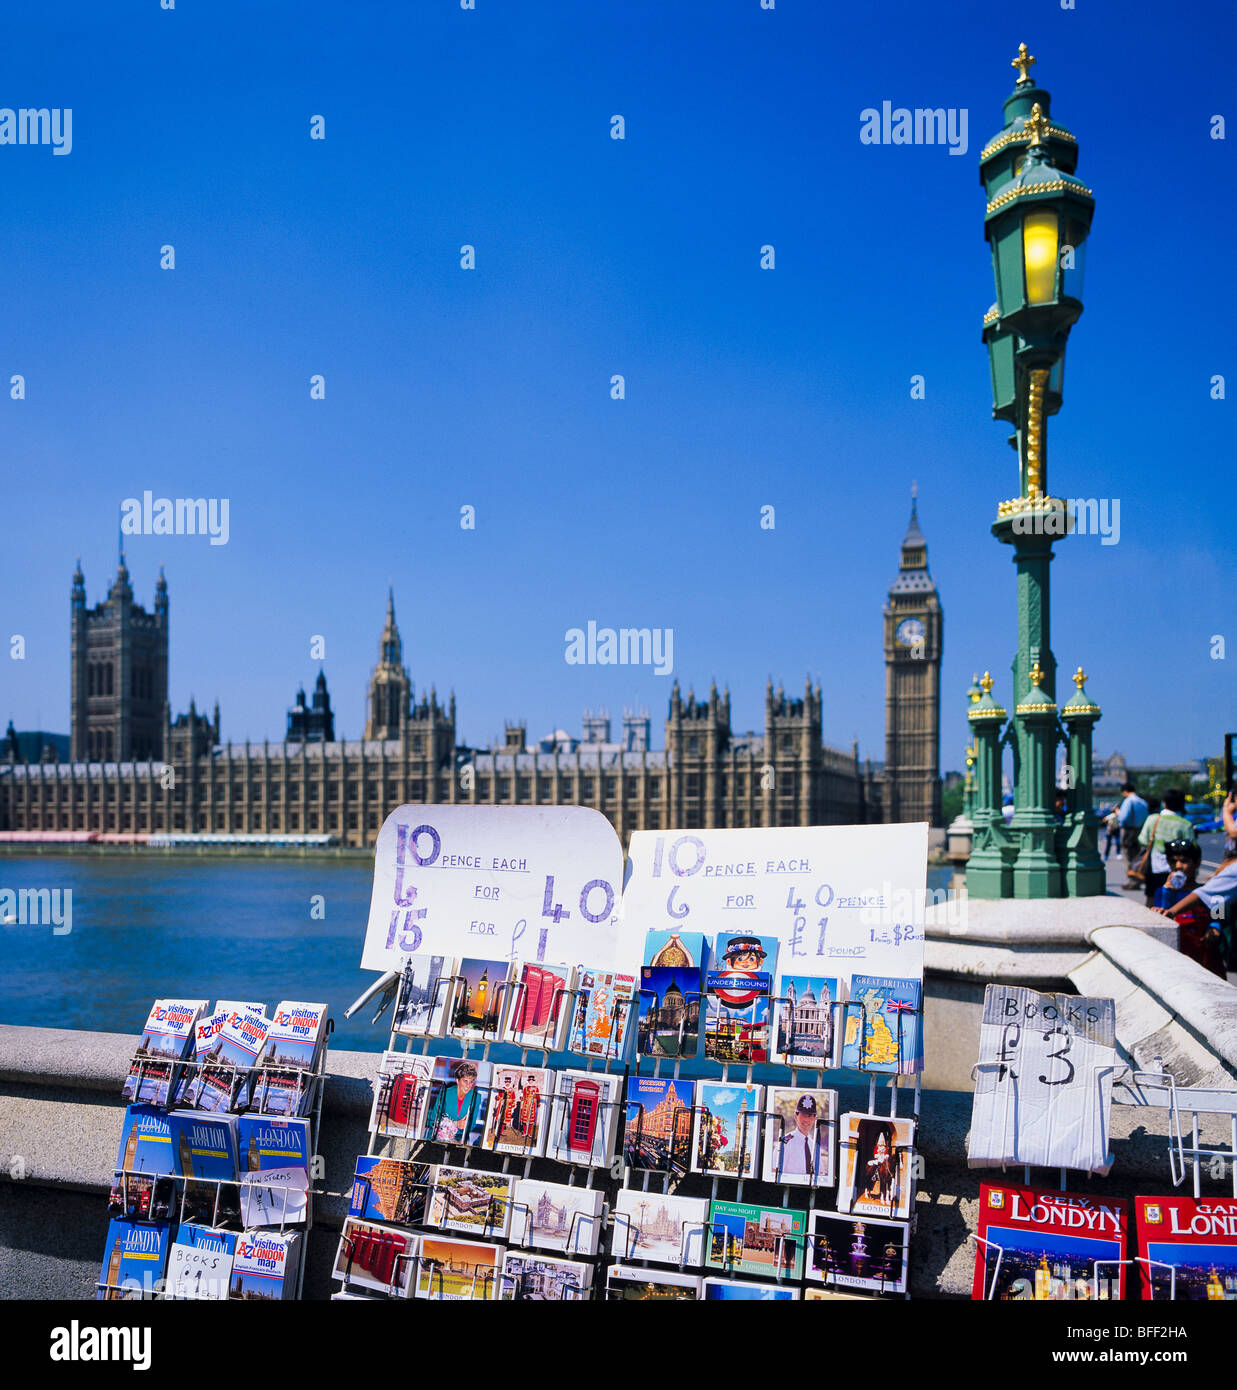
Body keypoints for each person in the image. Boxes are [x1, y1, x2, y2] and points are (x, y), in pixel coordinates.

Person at [1154, 840, 1226, 978]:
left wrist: (1215, 927)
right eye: (1173, 861)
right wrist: (1167, 892)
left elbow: (1220, 915)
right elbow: (1161, 917)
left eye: (1184, 861)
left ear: (1197, 862)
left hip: (1205, 959)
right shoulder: (1162, 891)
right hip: (1178, 956)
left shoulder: (1210, 891)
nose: (1178, 866)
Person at [1136, 789, 1195, 908]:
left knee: (1151, 900)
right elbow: (1191, 850)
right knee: (1175, 902)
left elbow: (1142, 840)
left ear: (1165, 803)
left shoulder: (1152, 819)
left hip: (1155, 868)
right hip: (1177, 870)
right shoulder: (1185, 824)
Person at [427, 1059, 482, 1144]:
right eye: (465, 1081)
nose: (468, 1086)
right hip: (438, 1137)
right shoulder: (445, 1093)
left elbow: (471, 1125)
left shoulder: (476, 1097)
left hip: (461, 1139)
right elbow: (432, 1120)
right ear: (457, 1080)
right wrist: (455, 1124)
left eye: (471, 1082)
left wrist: (459, 1139)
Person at [776, 1094, 824, 1178]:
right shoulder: (786, 1142)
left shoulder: (814, 1145)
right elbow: (774, 1171)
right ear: (796, 1116)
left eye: (809, 1116)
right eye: (803, 1115)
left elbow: (821, 1173)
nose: (806, 1119)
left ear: (814, 1119)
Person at [1117, 782, 1149, 888]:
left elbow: (1123, 818)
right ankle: (1138, 878)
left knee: (1127, 855)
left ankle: (1131, 881)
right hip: (1140, 830)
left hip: (1128, 831)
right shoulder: (1143, 802)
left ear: (1125, 791)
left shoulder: (1128, 801)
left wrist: (1118, 813)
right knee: (1137, 855)